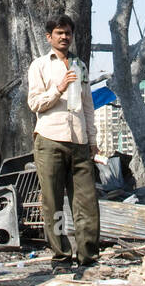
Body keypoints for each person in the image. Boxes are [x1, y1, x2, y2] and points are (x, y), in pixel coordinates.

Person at [28, 14, 100, 271]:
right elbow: (34, 103)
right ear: (49, 37)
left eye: (68, 32)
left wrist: (93, 140)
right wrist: (58, 89)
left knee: (86, 203)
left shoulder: (80, 66)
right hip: (50, 139)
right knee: (53, 202)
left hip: (79, 140)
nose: (64, 37)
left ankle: (88, 256)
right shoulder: (39, 65)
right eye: (59, 33)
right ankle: (61, 256)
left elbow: (88, 105)